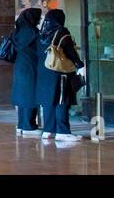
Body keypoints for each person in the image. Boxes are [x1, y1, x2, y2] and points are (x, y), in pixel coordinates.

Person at [36, 8, 86, 142]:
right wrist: (80, 65)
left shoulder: (43, 32)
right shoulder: (62, 32)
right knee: (62, 100)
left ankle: (48, 130)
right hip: (59, 72)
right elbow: (70, 51)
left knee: (49, 101)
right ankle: (63, 131)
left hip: (45, 72)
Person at [9, 7, 43, 136]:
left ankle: (21, 124)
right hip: (31, 67)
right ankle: (29, 126)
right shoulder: (33, 32)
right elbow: (39, 50)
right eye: (38, 17)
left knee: (22, 95)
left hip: (19, 67)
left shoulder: (17, 32)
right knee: (30, 95)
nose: (39, 20)